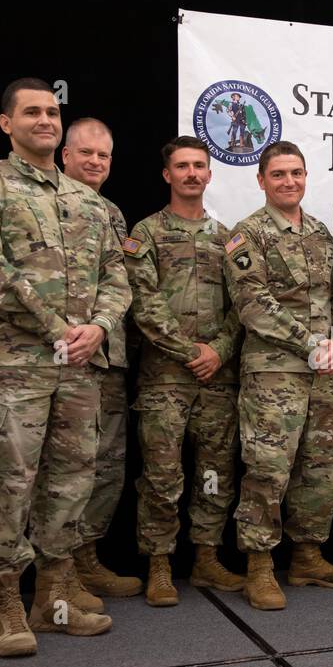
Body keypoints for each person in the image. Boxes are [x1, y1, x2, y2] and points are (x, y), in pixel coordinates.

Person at [0, 78, 130, 655]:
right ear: (7, 123)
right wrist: (58, 327)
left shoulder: (90, 203)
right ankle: (5, 604)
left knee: (71, 479)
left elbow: (116, 278)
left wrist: (99, 326)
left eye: (52, 111)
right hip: (12, 367)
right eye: (31, 112)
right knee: (10, 483)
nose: (45, 120)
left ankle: (53, 596)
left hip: (79, 367)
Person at [224, 141, 333, 609]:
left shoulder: (322, 234)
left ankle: (307, 555)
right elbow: (253, 304)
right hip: (273, 373)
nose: (289, 182)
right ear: (261, 180)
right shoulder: (248, 235)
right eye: (278, 174)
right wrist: (311, 343)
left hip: (323, 372)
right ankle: (259, 566)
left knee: (320, 468)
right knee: (267, 468)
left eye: (296, 173)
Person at [126, 137, 245, 606]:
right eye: (182, 166)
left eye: (199, 166)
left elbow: (244, 306)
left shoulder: (227, 237)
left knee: (216, 473)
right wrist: (188, 351)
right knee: (161, 475)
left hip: (218, 376)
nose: (192, 173)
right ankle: (159, 564)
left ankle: (207, 558)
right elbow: (143, 302)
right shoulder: (147, 233)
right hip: (165, 378)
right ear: (167, 175)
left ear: (210, 174)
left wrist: (217, 350)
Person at [60, 117, 144, 598]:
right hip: (62, 356)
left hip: (108, 358)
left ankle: (85, 558)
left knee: (105, 465)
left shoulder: (111, 213)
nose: (95, 162)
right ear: (66, 155)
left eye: (104, 156)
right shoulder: (44, 203)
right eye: (86, 153)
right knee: (62, 468)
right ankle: (57, 570)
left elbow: (119, 284)